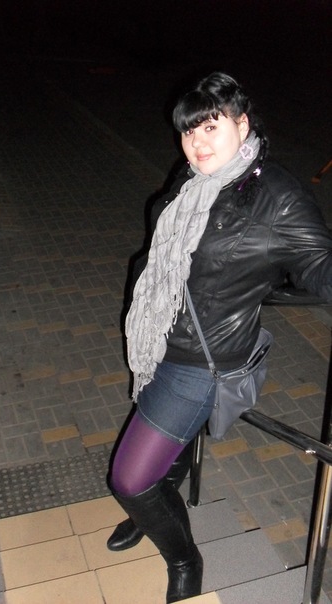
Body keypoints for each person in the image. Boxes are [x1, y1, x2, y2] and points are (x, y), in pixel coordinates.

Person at [107, 71, 332, 603]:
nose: (197, 142)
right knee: (165, 451)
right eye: (189, 131)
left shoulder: (277, 197)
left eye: (210, 127)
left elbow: (320, 263)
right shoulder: (197, 179)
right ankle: (155, 506)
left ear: (242, 124)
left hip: (200, 363)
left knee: (129, 479)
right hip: (157, 339)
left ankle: (184, 558)